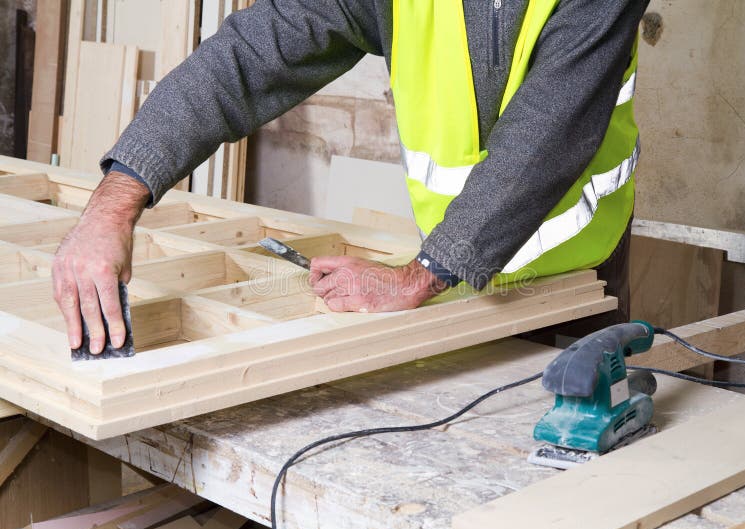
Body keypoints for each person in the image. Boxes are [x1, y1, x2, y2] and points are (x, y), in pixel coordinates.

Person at [52, 0, 649, 355]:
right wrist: (114, 205)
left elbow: (547, 130)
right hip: (445, 278)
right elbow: (246, 59)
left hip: (574, 277)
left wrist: (419, 276)